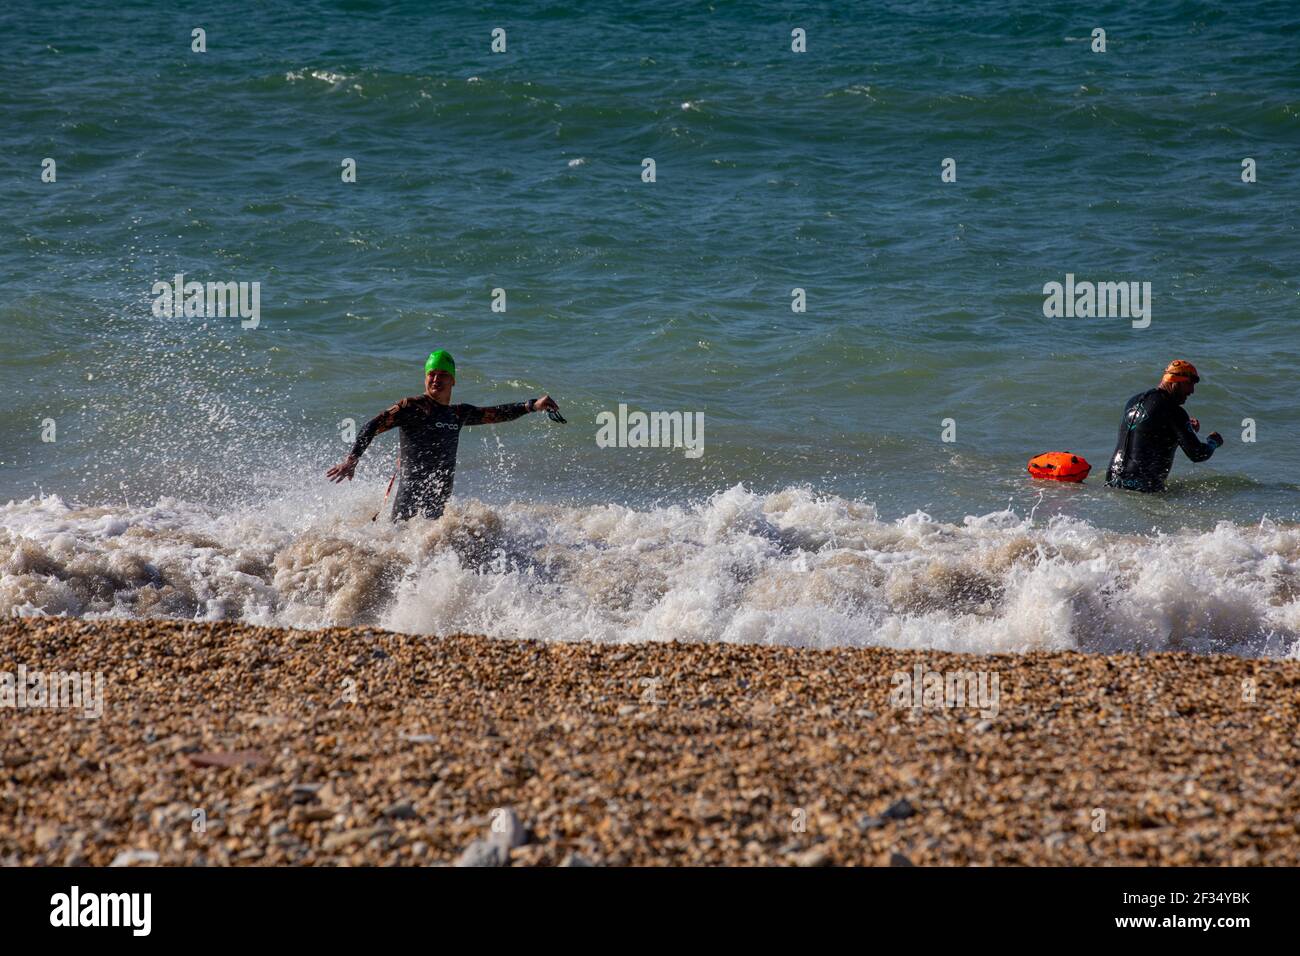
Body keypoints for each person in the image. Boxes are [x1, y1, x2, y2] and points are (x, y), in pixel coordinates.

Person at [326, 350, 559, 520]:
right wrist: (351, 460)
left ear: (453, 379)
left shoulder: (458, 414)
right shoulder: (411, 407)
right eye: (431, 373)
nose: (436, 379)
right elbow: (372, 426)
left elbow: (495, 414)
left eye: (443, 374)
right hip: (409, 498)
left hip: (439, 500)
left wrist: (531, 405)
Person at [1105, 359, 1223, 492]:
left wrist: (1183, 427)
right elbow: (1198, 454)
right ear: (1175, 382)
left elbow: (1149, 430)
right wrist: (1213, 442)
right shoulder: (1173, 411)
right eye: (1189, 384)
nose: (1192, 391)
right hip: (1143, 487)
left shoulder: (1135, 400)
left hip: (1112, 481)